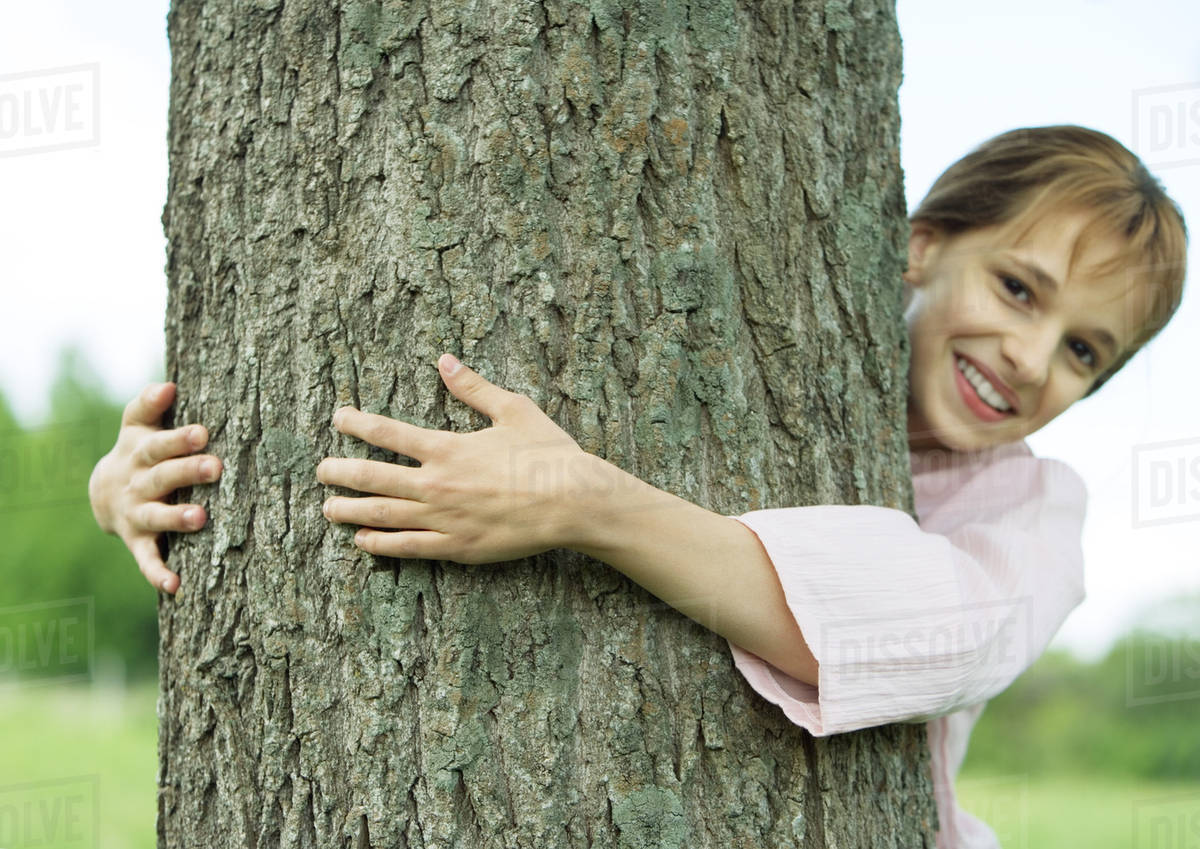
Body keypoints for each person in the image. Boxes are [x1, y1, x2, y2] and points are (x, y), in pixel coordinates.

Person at [88, 125, 1188, 848]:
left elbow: (947, 628)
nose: (1034, 357)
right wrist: (127, 481)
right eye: (1016, 287)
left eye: (1086, 351)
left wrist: (586, 504)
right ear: (920, 244)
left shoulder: (1034, 508)